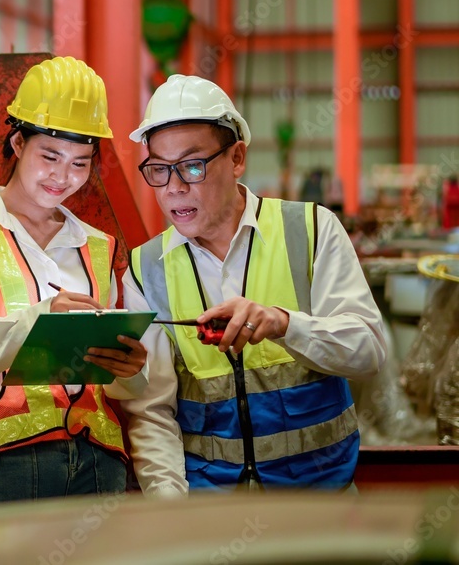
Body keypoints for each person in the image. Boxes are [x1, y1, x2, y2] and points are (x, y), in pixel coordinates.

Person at [104, 74, 388, 492]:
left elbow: (368, 350)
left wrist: (284, 324)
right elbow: (152, 412)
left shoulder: (309, 231)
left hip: (321, 504)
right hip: (213, 513)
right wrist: (171, 515)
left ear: (237, 158)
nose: (175, 188)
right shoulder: (146, 270)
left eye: (192, 166)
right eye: (159, 169)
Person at [0, 57, 147, 507]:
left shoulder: (98, 247)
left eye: (81, 163)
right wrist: (38, 322)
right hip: (6, 464)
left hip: (99, 463)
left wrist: (131, 369)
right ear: (18, 141)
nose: (64, 177)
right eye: (50, 156)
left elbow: (122, 382)